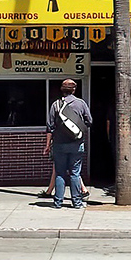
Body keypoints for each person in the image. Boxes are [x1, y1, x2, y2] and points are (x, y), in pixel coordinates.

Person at [43, 79, 92, 209]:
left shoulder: (56, 105)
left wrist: (48, 145)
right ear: (74, 90)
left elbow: (50, 127)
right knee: (75, 173)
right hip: (76, 143)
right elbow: (89, 121)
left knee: (60, 173)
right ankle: (76, 202)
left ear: (62, 90)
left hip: (59, 144)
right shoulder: (81, 104)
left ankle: (58, 202)